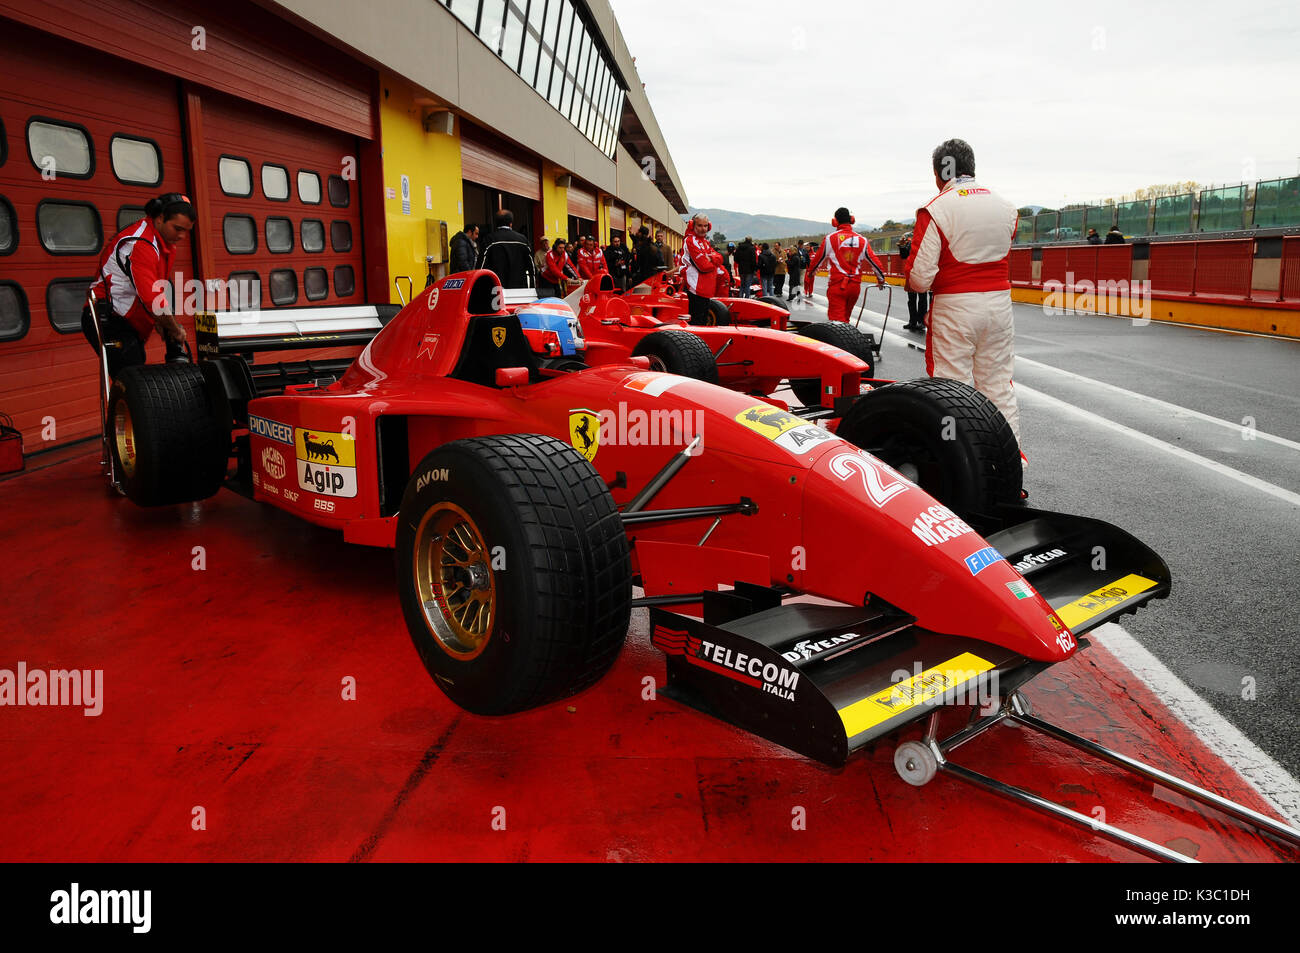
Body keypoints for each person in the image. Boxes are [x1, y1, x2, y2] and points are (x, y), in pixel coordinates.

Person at [903, 138, 1021, 444]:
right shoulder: (1006, 206)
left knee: (951, 391)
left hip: (955, 308)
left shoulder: (937, 208)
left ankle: (959, 466)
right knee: (998, 388)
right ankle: (1010, 464)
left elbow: (919, 278)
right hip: (999, 306)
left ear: (940, 171)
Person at [83, 191, 195, 378]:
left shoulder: (164, 243)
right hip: (109, 319)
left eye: (186, 231)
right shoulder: (141, 244)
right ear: (159, 218)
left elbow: (157, 290)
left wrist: (162, 323)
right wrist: (175, 329)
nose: (182, 236)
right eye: (177, 228)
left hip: (128, 324)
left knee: (136, 384)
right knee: (133, 385)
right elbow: (152, 299)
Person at [805, 207, 885, 322]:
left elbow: (817, 260)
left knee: (836, 322)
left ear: (835, 222)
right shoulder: (862, 240)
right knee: (845, 320)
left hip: (837, 285)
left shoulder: (830, 238)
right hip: (855, 287)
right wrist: (881, 280)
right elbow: (875, 262)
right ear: (852, 220)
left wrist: (811, 273)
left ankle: (838, 339)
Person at [680, 212, 723, 324]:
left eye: (705, 226)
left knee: (703, 322)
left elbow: (720, 258)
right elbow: (704, 266)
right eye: (699, 225)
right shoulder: (690, 241)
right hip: (695, 290)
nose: (703, 229)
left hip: (706, 290)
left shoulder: (705, 242)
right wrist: (713, 261)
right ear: (692, 225)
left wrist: (711, 258)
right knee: (697, 324)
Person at [476, 210, 534, 288]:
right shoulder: (523, 240)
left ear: (496, 223)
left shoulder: (490, 240)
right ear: (511, 223)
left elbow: (481, 266)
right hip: (519, 288)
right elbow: (531, 267)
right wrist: (532, 287)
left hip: (497, 288)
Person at [896, 231, 929, 332]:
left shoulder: (926, 241)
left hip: (922, 271)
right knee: (911, 299)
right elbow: (904, 256)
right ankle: (912, 321)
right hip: (911, 271)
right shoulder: (910, 241)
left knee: (922, 298)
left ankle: (921, 322)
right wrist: (901, 246)